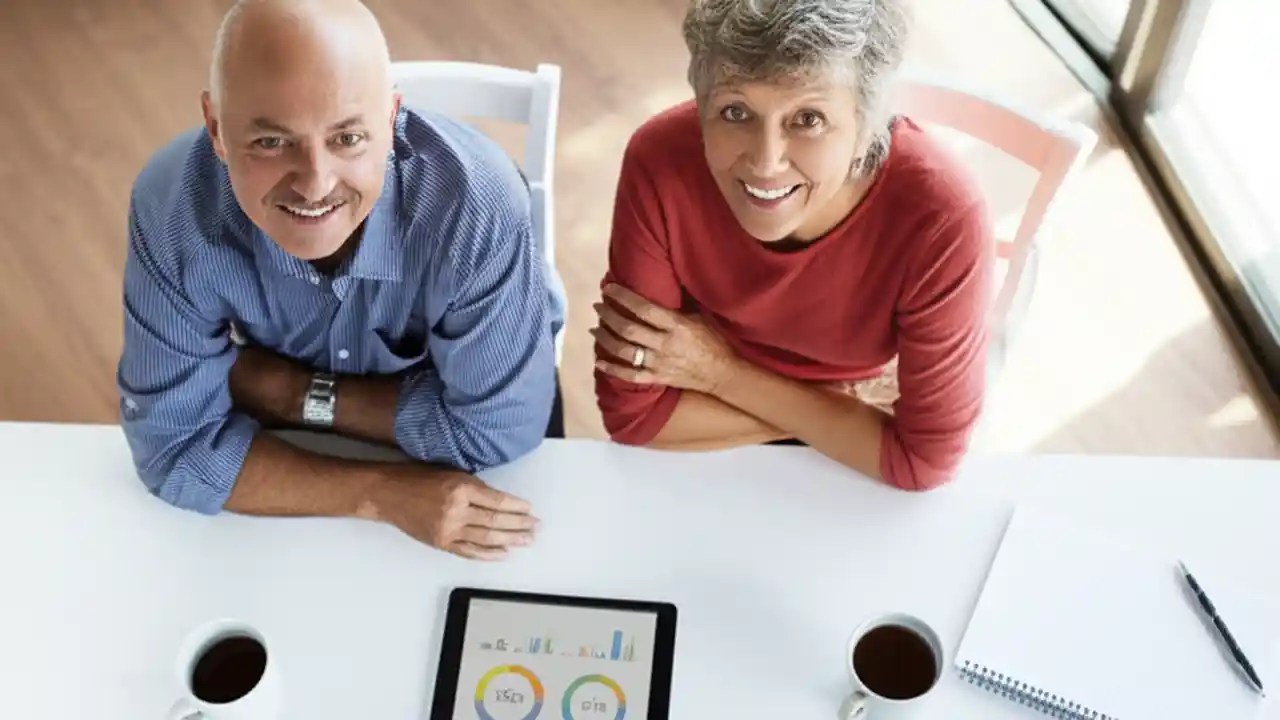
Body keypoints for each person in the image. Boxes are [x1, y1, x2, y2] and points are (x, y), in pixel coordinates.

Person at [117, 0, 564, 559]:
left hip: (386, 424)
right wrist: (380, 493)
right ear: (216, 129)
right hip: (379, 426)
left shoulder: (475, 204)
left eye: (347, 139)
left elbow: (501, 431)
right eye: (271, 142)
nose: (315, 185)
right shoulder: (171, 207)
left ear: (392, 118)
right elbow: (174, 448)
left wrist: (287, 393)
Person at [592, 0, 993, 491]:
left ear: (866, 128)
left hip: (737, 419)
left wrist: (720, 375)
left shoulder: (942, 217)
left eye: (808, 120)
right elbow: (636, 418)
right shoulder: (660, 160)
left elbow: (923, 463)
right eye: (735, 111)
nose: (766, 162)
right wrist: (848, 405)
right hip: (740, 453)